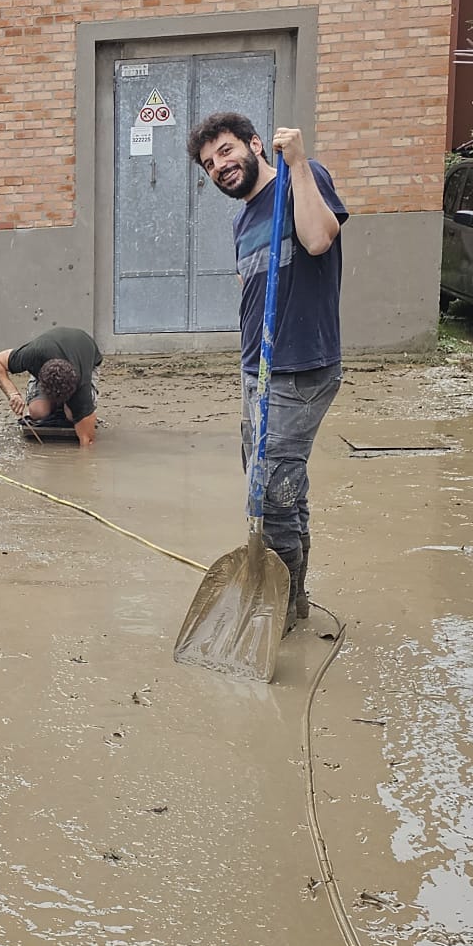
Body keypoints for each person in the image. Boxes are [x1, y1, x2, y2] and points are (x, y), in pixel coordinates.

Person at [187, 111, 347, 631]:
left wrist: (298, 162)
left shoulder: (304, 178)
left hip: (299, 364)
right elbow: (248, 290)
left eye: (227, 152)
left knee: (271, 491)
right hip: (258, 366)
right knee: (277, 485)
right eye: (210, 164)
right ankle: (294, 598)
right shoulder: (242, 219)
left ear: (255, 145)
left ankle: (277, 608)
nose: (220, 167)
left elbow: (320, 239)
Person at [0, 327, 103, 445]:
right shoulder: (32, 355)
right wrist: (13, 394)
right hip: (47, 352)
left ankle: (69, 408)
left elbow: (87, 440)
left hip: (86, 353)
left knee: (72, 415)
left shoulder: (81, 385)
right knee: (38, 412)